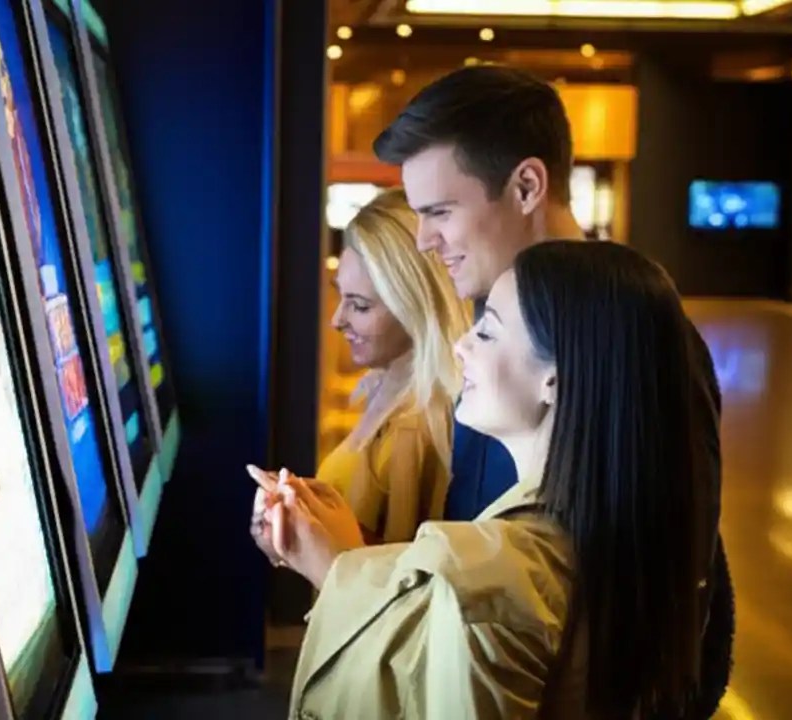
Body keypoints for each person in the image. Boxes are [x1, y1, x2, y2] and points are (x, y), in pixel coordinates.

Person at [371, 64, 731, 716]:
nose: (424, 240)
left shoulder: (636, 338)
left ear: (528, 185)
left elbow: (670, 602)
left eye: (440, 212)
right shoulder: (495, 325)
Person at [259, 241, 712, 719]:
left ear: (553, 378)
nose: (462, 344)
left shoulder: (486, 581)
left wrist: (338, 570)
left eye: (488, 332)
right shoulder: (620, 538)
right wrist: (339, 564)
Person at [258, 189, 473, 546]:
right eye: (341, 296)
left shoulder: (412, 433)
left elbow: (389, 591)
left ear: (413, 308)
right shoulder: (384, 387)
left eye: (358, 306)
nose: (336, 320)